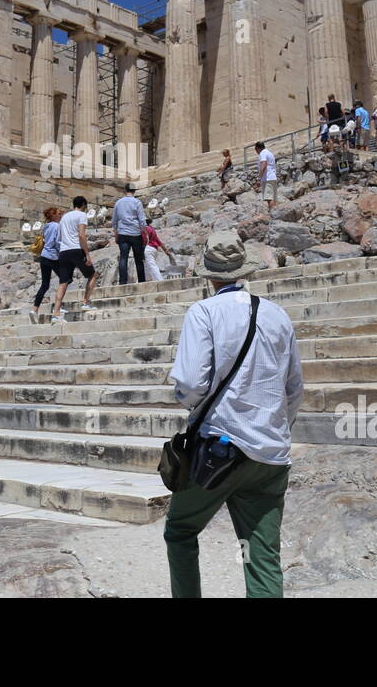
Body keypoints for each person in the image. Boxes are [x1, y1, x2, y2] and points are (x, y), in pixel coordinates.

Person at [163, 231, 303, 599]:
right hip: (271, 453)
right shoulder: (277, 314)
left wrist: (185, 399)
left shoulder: (203, 312)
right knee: (261, 554)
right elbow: (294, 388)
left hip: (217, 450)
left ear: (208, 273)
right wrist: (274, 431)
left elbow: (192, 383)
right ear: (245, 270)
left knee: (180, 532)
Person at [51, 195, 98, 323]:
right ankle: (86, 302)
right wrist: (87, 254)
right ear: (83, 205)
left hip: (64, 251)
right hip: (76, 249)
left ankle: (56, 313)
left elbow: (59, 237)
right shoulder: (82, 215)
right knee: (93, 275)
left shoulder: (64, 217)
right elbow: (82, 235)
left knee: (63, 282)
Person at [31, 206, 62, 322]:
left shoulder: (46, 226)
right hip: (53, 256)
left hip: (44, 256)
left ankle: (34, 309)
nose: (60, 216)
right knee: (66, 280)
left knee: (45, 285)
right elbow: (57, 242)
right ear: (53, 215)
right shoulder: (56, 226)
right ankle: (59, 307)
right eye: (59, 214)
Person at [112, 183, 148, 285]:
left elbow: (114, 221)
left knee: (123, 258)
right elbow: (142, 220)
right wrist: (145, 233)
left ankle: (123, 282)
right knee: (138, 259)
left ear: (125, 190)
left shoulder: (118, 203)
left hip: (123, 233)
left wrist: (116, 235)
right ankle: (141, 281)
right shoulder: (137, 202)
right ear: (134, 191)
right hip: (136, 234)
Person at [254, 141, 277, 209]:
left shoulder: (263, 153)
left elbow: (263, 165)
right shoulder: (269, 153)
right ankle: (274, 214)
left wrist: (259, 178)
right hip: (272, 177)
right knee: (273, 198)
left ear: (258, 148)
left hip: (267, 178)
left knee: (269, 199)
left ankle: (272, 215)